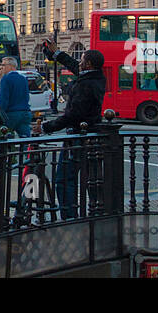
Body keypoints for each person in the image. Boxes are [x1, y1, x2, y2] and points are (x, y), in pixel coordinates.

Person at [34, 48, 108, 220]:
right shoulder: (97, 78)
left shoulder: (85, 85)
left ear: (88, 64)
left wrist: (45, 127)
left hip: (77, 136)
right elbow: (75, 66)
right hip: (92, 135)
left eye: (82, 60)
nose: (79, 63)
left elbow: (72, 115)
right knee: (92, 179)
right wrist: (57, 54)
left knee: (65, 179)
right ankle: (99, 212)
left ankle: (69, 216)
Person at [0, 57, 32, 138]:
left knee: (4, 137)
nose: (2, 67)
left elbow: (4, 99)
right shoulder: (23, 78)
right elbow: (27, 97)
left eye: (4, 65)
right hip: (25, 112)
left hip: (11, 114)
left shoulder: (6, 79)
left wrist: (0, 113)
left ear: (11, 66)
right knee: (25, 139)